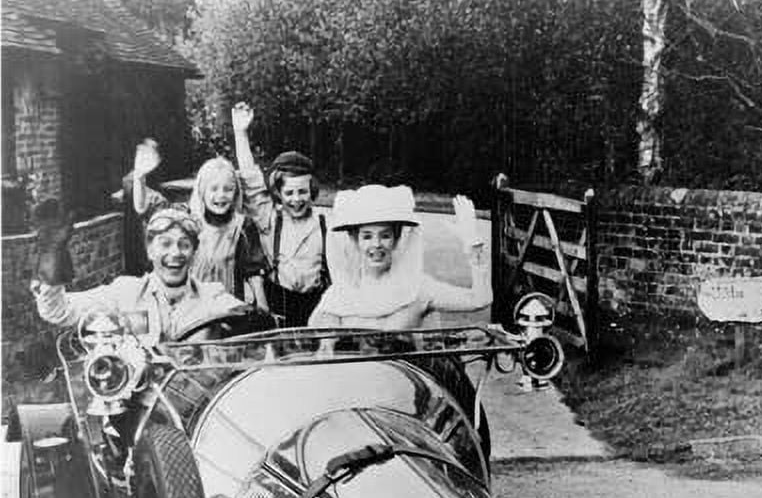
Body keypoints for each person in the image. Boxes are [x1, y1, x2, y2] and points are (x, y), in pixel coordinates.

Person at [31, 202, 247, 343]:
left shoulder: (213, 296)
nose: (176, 253)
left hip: (198, 404)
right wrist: (53, 254)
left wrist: (252, 319)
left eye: (184, 245)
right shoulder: (125, 292)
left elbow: (250, 322)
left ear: (194, 252)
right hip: (143, 405)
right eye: (165, 244)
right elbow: (58, 311)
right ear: (150, 250)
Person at [306, 184, 491, 331]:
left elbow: (479, 300)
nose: (376, 244)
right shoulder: (340, 293)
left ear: (396, 240)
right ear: (355, 241)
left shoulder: (417, 287)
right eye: (367, 236)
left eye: (385, 235)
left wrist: (474, 248)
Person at [128, 139, 268, 309]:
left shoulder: (242, 226)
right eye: (214, 189)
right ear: (202, 191)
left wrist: (262, 306)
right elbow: (144, 207)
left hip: (228, 308)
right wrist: (140, 176)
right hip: (189, 307)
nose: (221, 195)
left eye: (228, 189)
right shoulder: (186, 218)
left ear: (236, 192)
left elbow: (253, 270)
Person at [231, 102, 329, 326]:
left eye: (302, 191)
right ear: (278, 192)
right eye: (290, 192)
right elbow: (251, 180)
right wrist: (240, 132)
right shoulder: (271, 220)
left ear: (311, 190)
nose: (296, 199)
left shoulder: (324, 224)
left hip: (315, 309)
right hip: (278, 306)